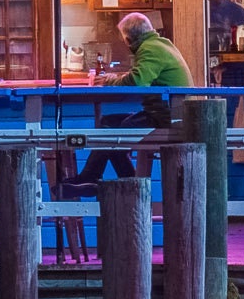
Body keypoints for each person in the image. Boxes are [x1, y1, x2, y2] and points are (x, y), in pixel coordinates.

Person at [77, 11, 190, 183]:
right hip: (166, 114)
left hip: (167, 118)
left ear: (129, 39)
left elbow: (137, 81)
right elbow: (140, 76)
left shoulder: (150, 49)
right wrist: (116, 78)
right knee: (108, 123)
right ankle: (111, 179)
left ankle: (122, 183)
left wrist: (109, 82)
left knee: (115, 134)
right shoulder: (160, 44)